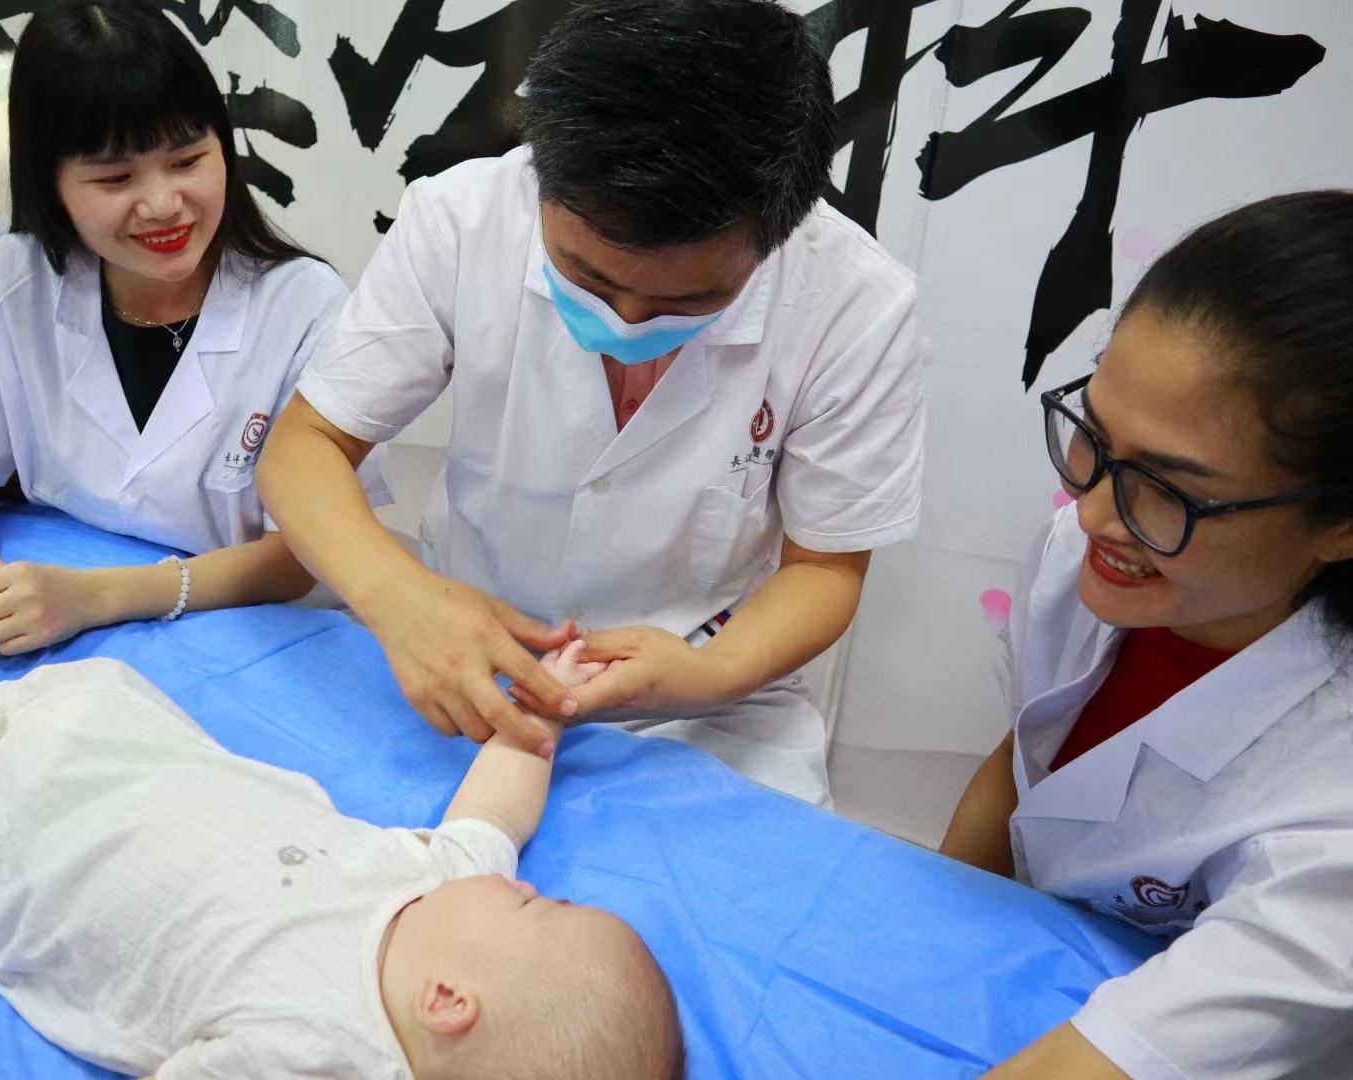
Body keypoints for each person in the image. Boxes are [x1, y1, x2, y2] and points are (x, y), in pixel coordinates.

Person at [259, 0, 924, 805]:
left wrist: (708, 673)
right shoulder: (462, 220)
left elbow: (824, 568)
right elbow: (306, 447)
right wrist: (399, 599)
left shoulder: (855, 302)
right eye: (589, 278)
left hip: (707, 700)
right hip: (459, 646)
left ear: (778, 231)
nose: (629, 322)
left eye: (688, 302)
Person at [0, 652, 684, 1079]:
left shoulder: (312, 1051)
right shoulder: (446, 884)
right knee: (102, 701)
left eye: (535, 907)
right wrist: (542, 717)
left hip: (56, 861)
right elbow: (496, 809)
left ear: (447, 1001)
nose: (525, 883)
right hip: (159, 777)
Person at [940, 192, 1353, 1078]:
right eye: (1093, 435)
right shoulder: (1096, 559)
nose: (1091, 513)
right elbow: (1026, 766)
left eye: (1169, 489)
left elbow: (1125, 1057)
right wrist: (920, 945)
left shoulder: (1332, 814)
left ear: (1341, 525)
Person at [0, 0, 381, 659]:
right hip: (59, 623)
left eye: (187, 160)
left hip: (257, 635)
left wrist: (97, 598)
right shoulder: (6, 282)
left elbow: (304, 552)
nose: (164, 204)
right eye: (114, 177)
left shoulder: (304, 304)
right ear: (51, 182)